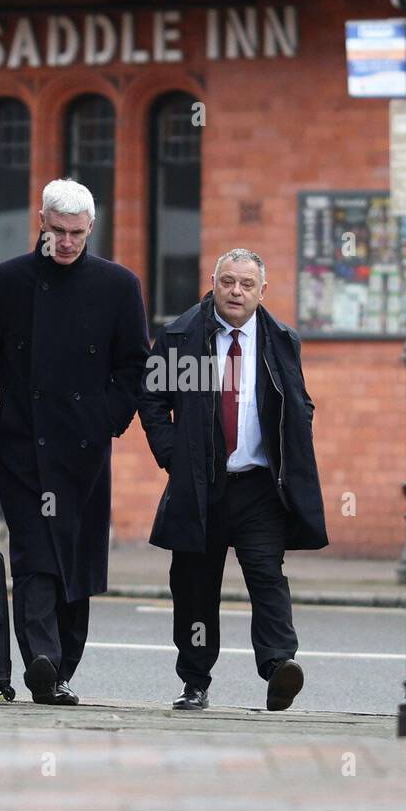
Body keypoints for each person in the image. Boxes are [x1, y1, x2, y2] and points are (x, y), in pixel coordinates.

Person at [0, 179, 149, 704]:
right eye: (58, 231)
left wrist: (107, 420)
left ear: (92, 228)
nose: (66, 243)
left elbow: (135, 365)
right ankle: (42, 661)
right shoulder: (8, 281)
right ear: (41, 221)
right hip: (25, 441)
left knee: (78, 559)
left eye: (77, 233)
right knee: (36, 555)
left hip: (85, 449)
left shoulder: (118, 285)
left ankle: (63, 663)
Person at [138, 248, 328, 712]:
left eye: (246, 284)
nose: (236, 292)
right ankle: (195, 681)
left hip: (259, 486)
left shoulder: (281, 339)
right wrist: (174, 459)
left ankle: (279, 664)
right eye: (228, 282)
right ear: (214, 282)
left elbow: (298, 404)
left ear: (263, 290)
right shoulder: (184, 336)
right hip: (201, 485)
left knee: (267, 576)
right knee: (194, 585)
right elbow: (152, 400)